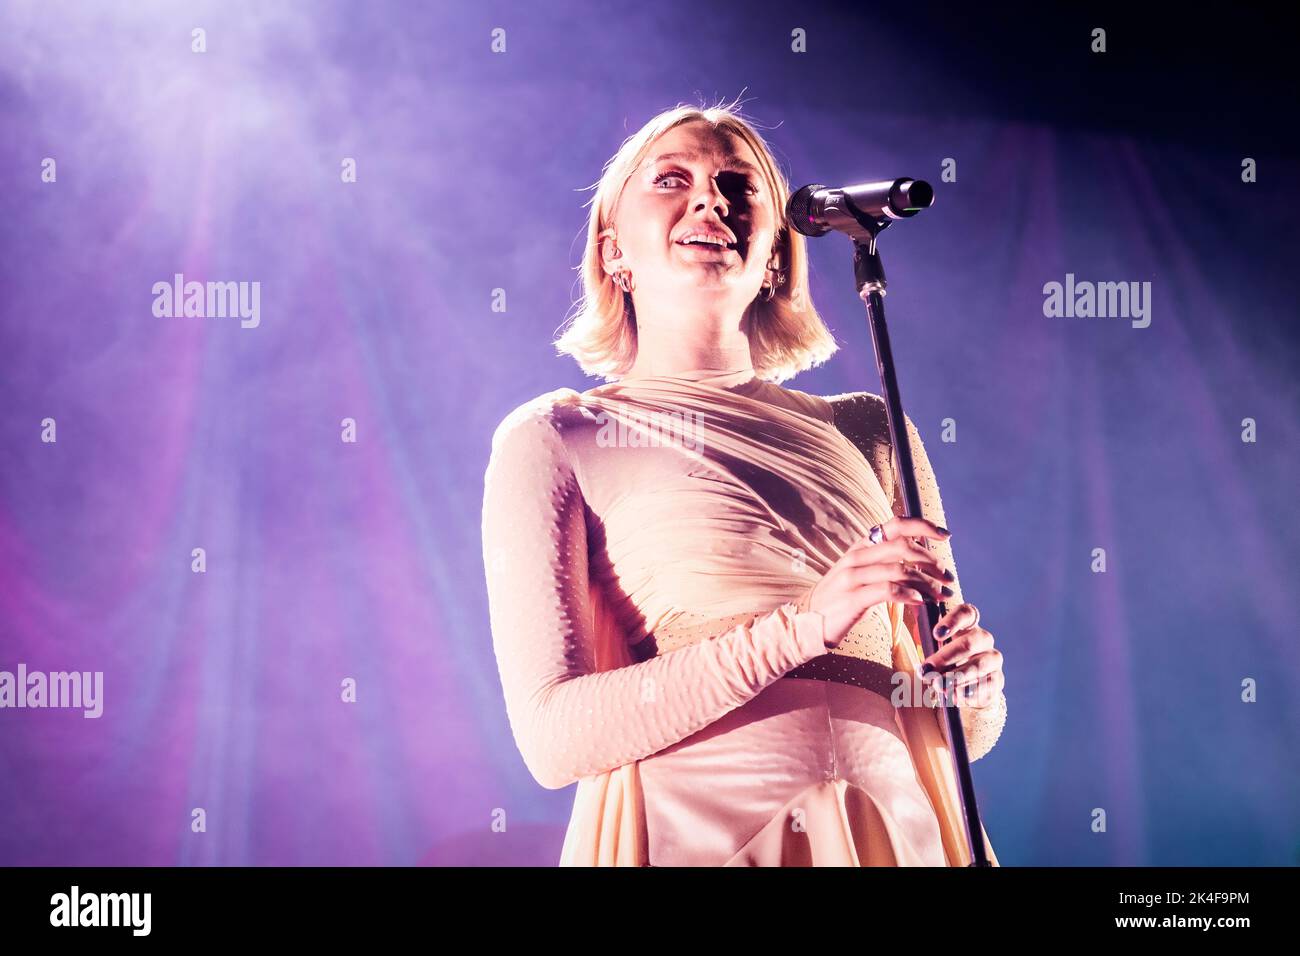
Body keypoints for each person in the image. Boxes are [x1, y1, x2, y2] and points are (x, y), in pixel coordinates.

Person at [481, 100, 1008, 866]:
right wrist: (805, 624)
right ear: (612, 249)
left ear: (775, 256)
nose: (710, 200)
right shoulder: (556, 437)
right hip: (700, 832)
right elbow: (553, 739)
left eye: (738, 183)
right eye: (672, 179)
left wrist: (972, 684)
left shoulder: (869, 427)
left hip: (896, 832)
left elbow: (969, 729)